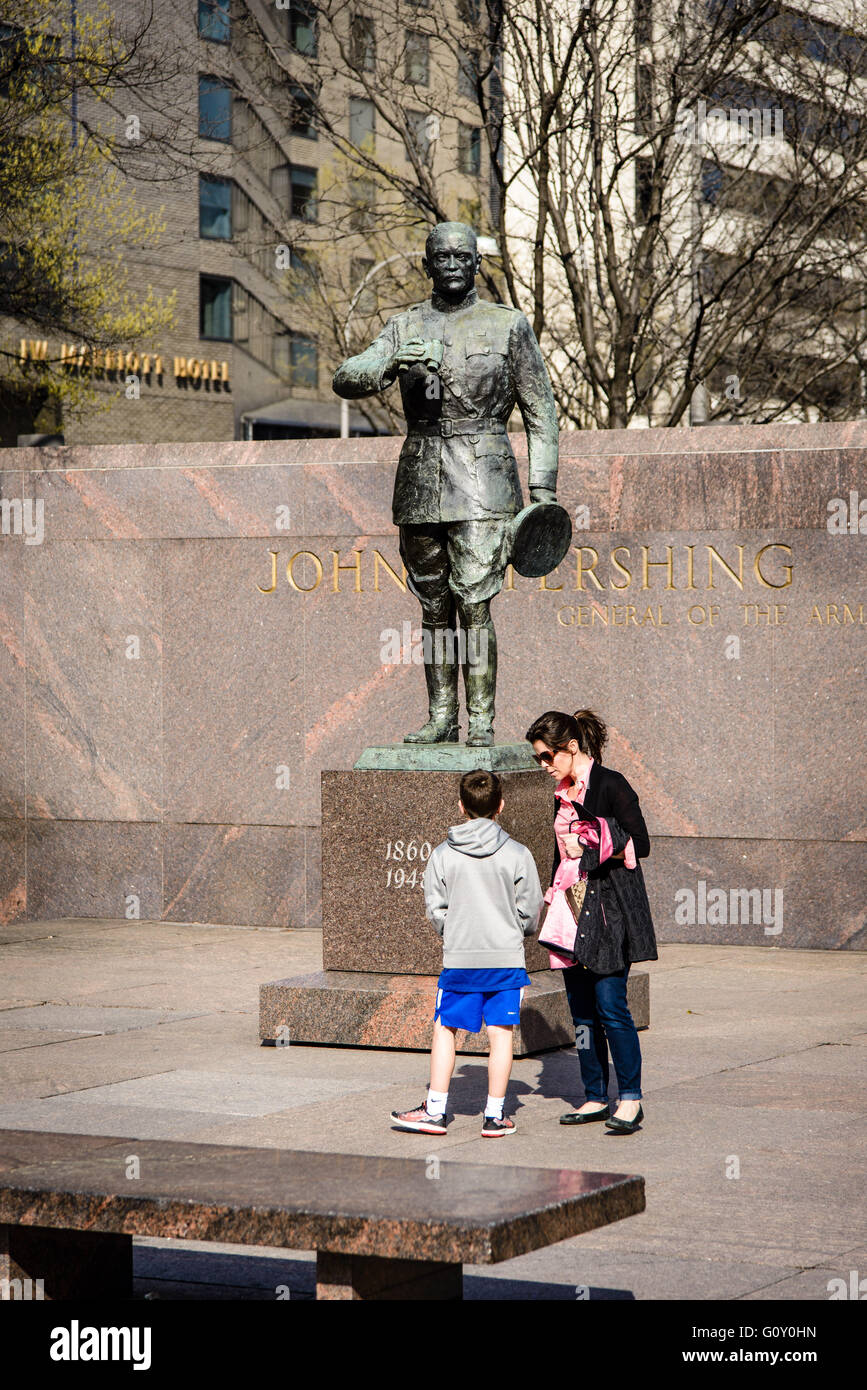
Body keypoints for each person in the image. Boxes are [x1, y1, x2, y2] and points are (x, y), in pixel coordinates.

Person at [333, 221, 559, 747]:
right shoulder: (403, 324)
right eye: (442, 257)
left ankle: (480, 719)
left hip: (484, 480)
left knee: (474, 601)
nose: (452, 264)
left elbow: (541, 412)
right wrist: (391, 360)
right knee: (432, 606)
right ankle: (441, 717)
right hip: (420, 478)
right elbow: (347, 376)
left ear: (477, 263)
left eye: (463, 256)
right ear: (427, 265)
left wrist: (543, 492)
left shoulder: (507, 325)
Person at [391, 768, 543, 1136]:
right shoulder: (519, 854)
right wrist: (514, 932)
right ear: (501, 806)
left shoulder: (443, 855)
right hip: (505, 959)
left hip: (460, 959)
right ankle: (494, 1116)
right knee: (501, 1034)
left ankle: (437, 1109)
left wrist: (455, 934)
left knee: (445, 1028)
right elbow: (532, 908)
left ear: (461, 806)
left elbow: (435, 908)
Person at [526, 709, 658, 1134]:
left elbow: (641, 844)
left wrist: (596, 836)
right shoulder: (560, 793)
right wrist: (550, 895)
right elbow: (558, 853)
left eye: (548, 757)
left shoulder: (611, 784)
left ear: (571, 747)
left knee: (611, 1007)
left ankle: (630, 1098)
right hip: (570, 910)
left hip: (609, 909)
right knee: (581, 1013)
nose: (544, 766)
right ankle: (595, 1095)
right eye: (538, 759)